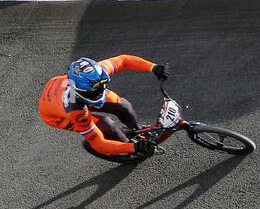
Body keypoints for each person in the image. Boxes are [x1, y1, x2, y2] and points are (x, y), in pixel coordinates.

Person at [38, 55, 168, 156]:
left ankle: (136, 130)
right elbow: (98, 144)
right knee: (107, 124)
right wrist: (132, 147)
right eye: (95, 91)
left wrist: (152, 67)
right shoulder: (75, 110)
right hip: (56, 116)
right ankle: (131, 147)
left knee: (124, 106)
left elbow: (123, 60)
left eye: (103, 85)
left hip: (69, 92)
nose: (100, 92)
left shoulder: (96, 73)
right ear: (79, 91)